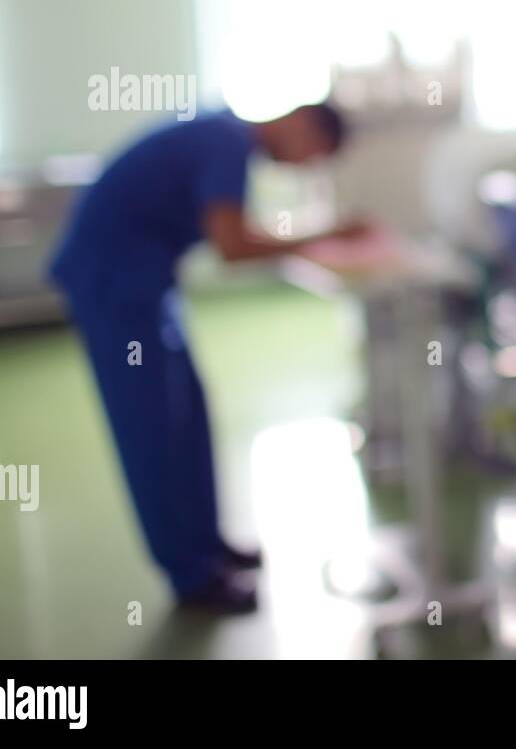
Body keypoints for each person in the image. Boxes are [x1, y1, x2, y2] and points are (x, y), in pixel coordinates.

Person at [49, 102, 366, 613]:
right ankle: (191, 576)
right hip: (113, 282)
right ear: (301, 124)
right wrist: (326, 235)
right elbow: (232, 247)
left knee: (187, 412)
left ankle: (205, 543)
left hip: (147, 277)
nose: (306, 166)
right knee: (151, 426)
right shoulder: (226, 142)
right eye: (314, 155)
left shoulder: (222, 135)